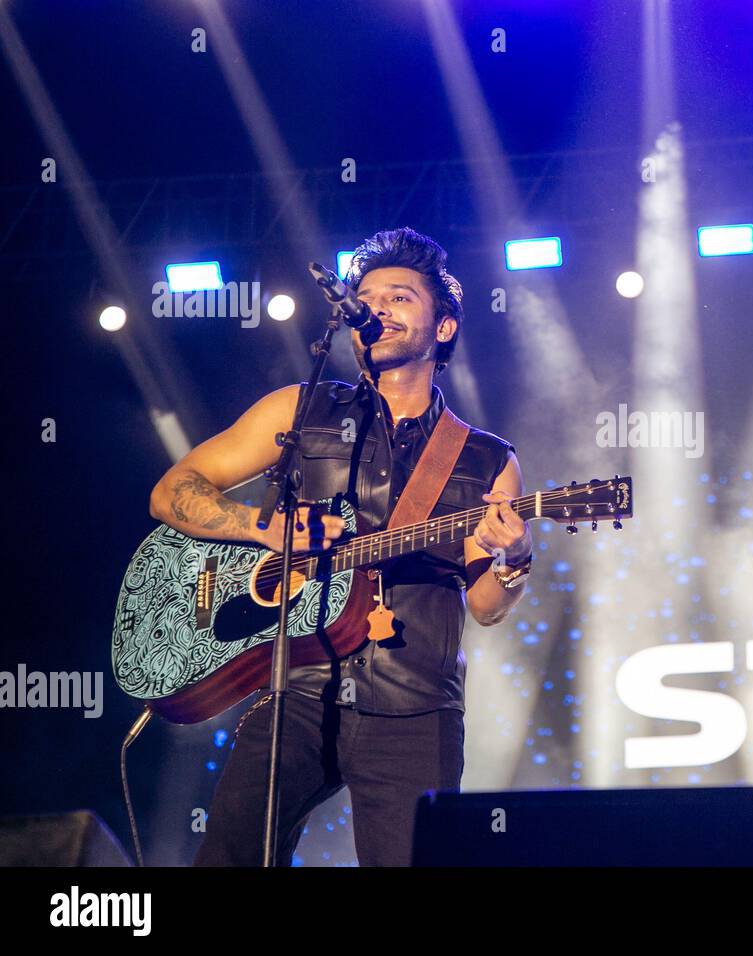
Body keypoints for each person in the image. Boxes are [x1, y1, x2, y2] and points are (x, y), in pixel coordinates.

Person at [148, 227, 532, 865]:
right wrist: (260, 527)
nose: (376, 307)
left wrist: (513, 561)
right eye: (367, 297)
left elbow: (487, 606)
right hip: (297, 687)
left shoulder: (485, 458)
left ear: (443, 327)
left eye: (400, 297)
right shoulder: (299, 412)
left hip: (416, 708)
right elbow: (172, 491)